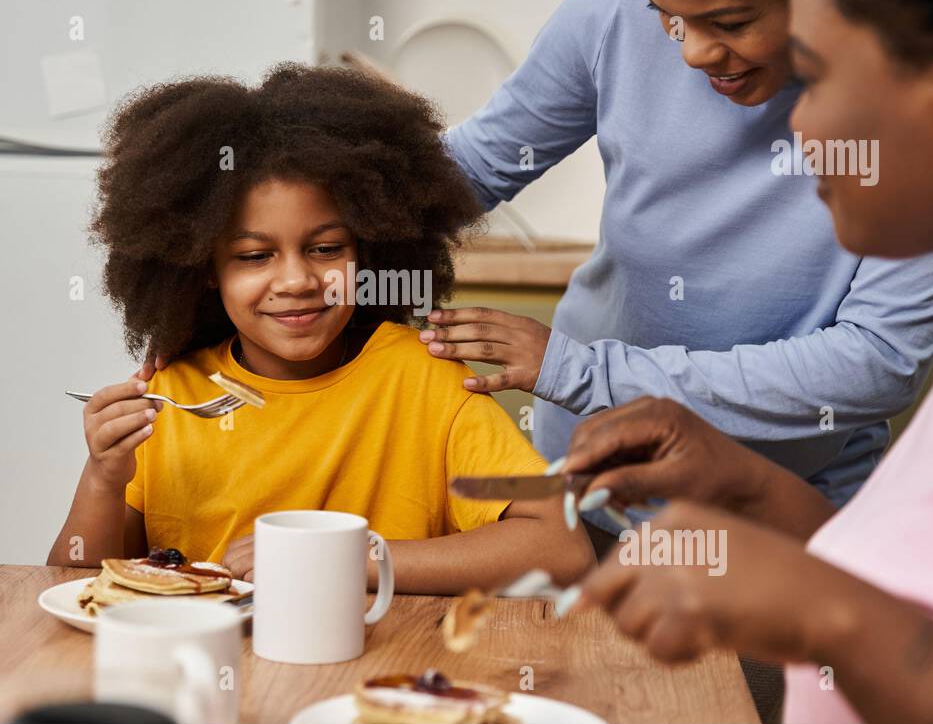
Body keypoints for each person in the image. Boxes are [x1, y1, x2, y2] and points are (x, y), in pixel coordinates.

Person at [564, 0, 933, 723]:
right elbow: (924, 625)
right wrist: (742, 483)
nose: (798, 131)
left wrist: (827, 610)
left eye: (816, 75)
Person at [420, 0, 933, 542]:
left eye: (731, 23)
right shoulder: (612, 8)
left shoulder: (929, 107)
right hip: (582, 489)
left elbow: (878, 362)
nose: (694, 53)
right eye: (668, 18)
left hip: (783, 522)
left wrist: (592, 375)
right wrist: (315, 200)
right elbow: (473, 166)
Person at [47, 64, 594, 594]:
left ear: (371, 248)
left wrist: (345, 556)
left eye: (326, 249)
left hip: (381, 673)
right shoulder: (172, 399)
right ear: (204, 270)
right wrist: (103, 477)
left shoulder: (424, 382)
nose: (296, 280)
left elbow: (562, 548)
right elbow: (73, 579)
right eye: (255, 255)